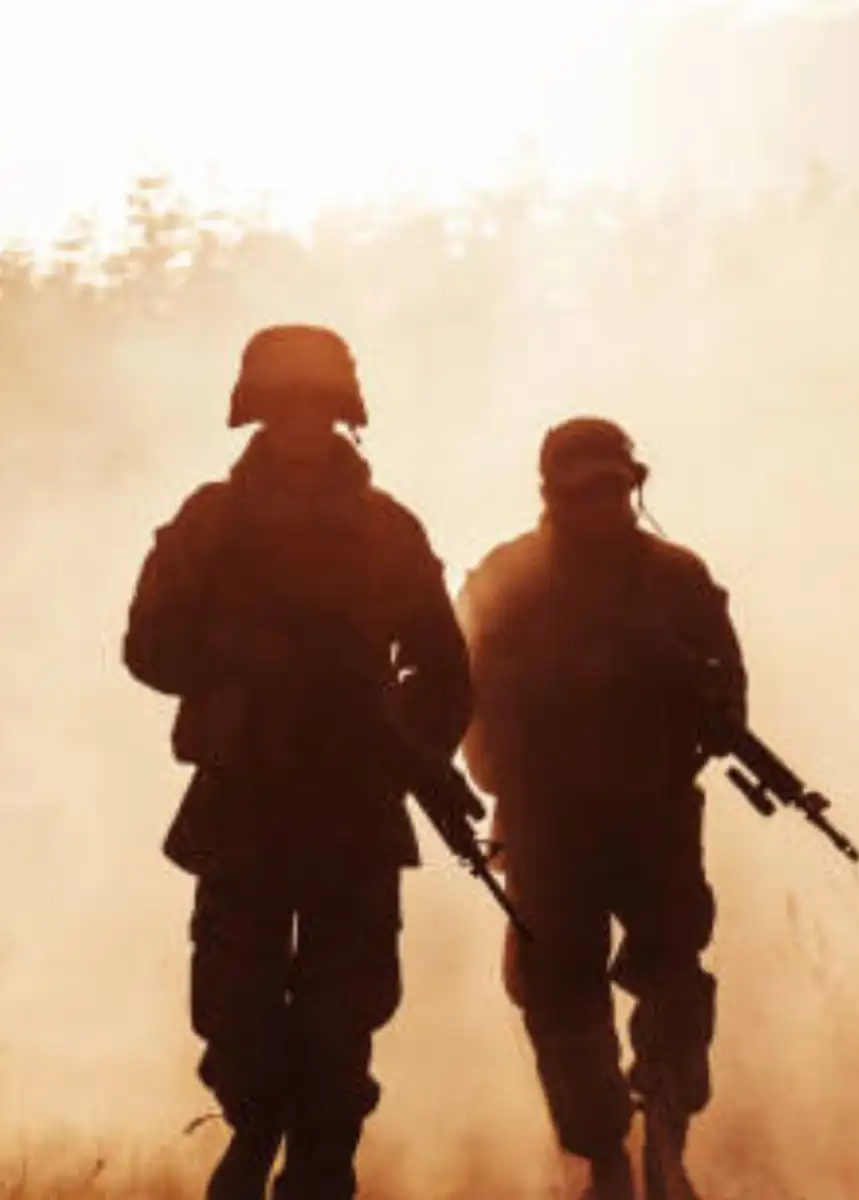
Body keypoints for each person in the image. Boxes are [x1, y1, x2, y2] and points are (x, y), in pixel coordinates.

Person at [123, 325, 472, 1200]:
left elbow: (443, 669)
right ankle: (257, 1128)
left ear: (343, 411)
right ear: (256, 412)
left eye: (318, 405)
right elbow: (148, 648)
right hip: (244, 802)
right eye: (286, 405)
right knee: (235, 1016)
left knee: (340, 1024)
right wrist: (245, 660)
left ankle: (318, 1171)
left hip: (353, 809)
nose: (303, 422)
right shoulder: (212, 522)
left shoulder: (387, 531)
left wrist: (405, 745)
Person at [456, 417, 747, 1200]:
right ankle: (606, 1160)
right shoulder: (508, 580)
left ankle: (665, 1139)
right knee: (561, 999)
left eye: (613, 489)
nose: (601, 505)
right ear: (553, 495)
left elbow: (728, 698)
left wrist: (688, 709)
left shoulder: (675, 579)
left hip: (654, 819)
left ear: (632, 487)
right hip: (549, 825)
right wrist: (510, 773)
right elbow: (466, 695)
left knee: (674, 981)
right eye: (584, 491)